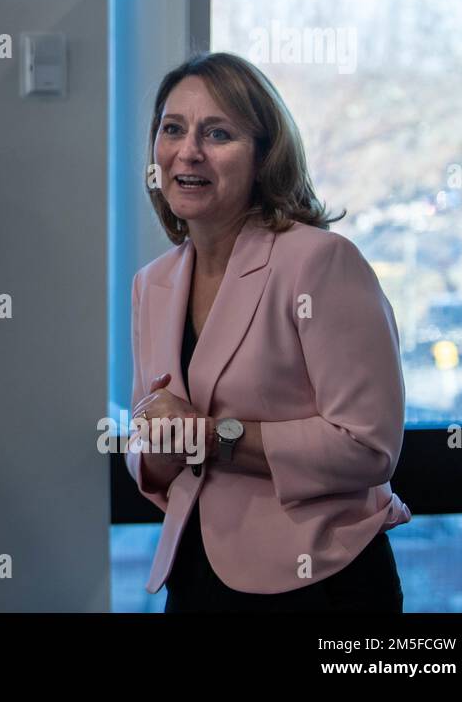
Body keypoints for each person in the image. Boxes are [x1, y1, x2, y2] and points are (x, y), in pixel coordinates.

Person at [124, 51, 409, 612]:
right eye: (172, 129)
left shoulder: (320, 262)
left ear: (263, 157)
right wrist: (156, 446)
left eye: (218, 133)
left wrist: (210, 437)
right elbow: (147, 436)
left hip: (321, 584)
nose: (189, 151)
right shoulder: (152, 282)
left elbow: (368, 446)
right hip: (196, 578)